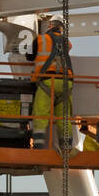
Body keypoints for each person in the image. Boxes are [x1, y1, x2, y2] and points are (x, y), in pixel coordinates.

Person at [29, 16, 73, 150]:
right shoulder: (67, 43)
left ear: (49, 26)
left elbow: (29, 56)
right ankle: (66, 147)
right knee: (64, 118)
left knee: (41, 113)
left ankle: (38, 145)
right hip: (66, 84)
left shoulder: (41, 39)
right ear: (62, 29)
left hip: (47, 82)